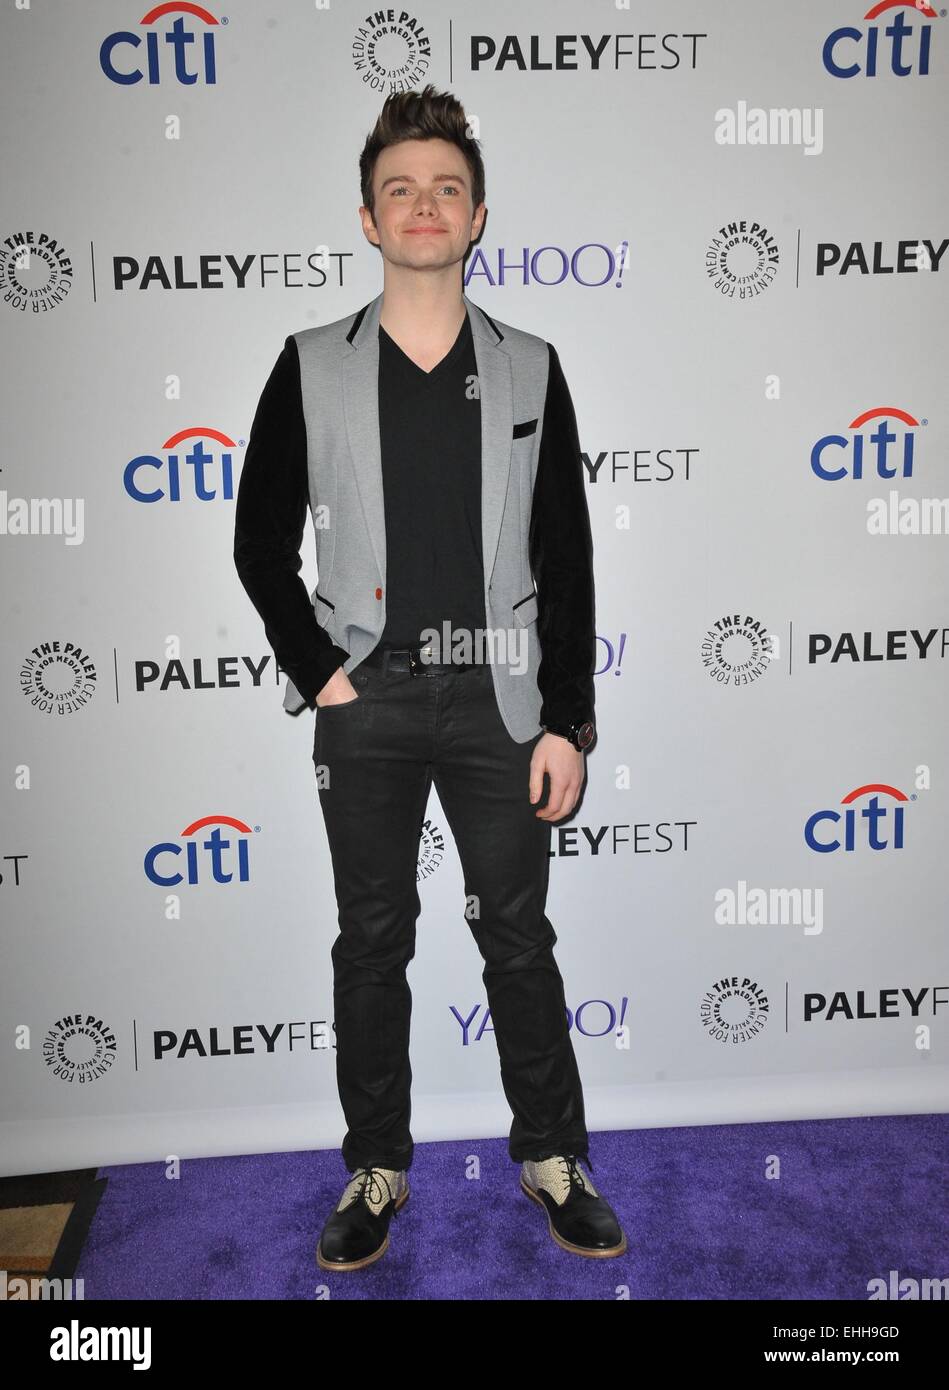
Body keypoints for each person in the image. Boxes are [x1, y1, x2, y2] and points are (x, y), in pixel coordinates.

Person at [233, 83, 626, 1269]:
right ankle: (376, 1166)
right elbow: (259, 543)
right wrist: (326, 674)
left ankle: (552, 1158)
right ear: (367, 217)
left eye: (444, 188)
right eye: (399, 189)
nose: (422, 205)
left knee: (518, 934)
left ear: (477, 215)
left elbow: (566, 553)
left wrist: (567, 718)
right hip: (371, 699)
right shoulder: (308, 364)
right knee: (373, 939)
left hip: (504, 698)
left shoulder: (529, 366)